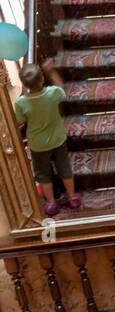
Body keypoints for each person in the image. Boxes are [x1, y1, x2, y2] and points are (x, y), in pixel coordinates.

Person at [14, 58, 80, 216]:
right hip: (58, 140)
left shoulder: (21, 103)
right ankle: (72, 197)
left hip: (38, 144)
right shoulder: (52, 93)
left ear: (23, 84)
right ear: (42, 78)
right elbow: (62, 90)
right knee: (64, 168)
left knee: (42, 173)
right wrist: (51, 71)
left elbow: (20, 121)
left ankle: (50, 202)